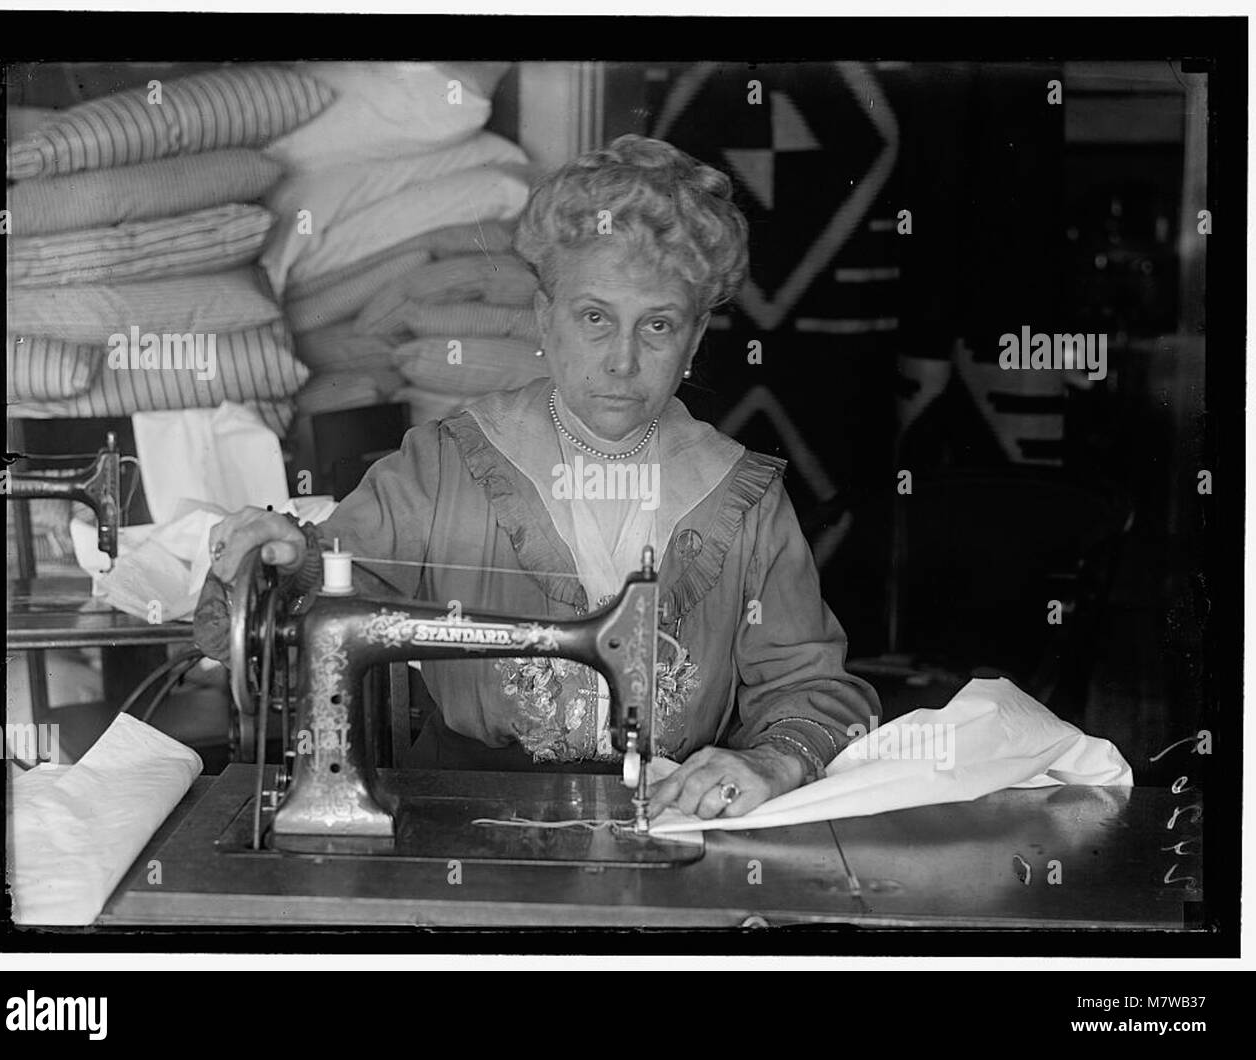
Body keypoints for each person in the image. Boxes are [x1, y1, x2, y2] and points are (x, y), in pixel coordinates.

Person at [196, 134, 880, 820]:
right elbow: (316, 601)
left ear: (695, 340)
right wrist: (276, 562)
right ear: (543, 319)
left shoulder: (745, 498)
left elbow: (815, 689)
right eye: (594, 318)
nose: (621, 360)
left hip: (672, 813)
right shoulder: (445, 464)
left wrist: (769, 761)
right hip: (457, 816)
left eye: (658, 326)